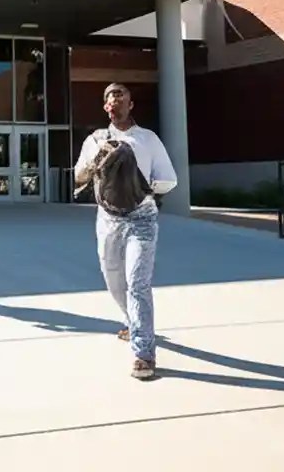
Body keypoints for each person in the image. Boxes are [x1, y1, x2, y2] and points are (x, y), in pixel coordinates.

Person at [74, 83, 177, 380]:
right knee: (113, 277)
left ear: (131, 104)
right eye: (109, 95)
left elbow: (169, 180)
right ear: (105, 106)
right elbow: (78, 176)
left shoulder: (148, 139)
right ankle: (132, 320)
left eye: (120, 95)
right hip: (107, 218)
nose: (114, 99)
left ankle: (144, 352)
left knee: (137, 282)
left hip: (141, 216)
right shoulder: (95, 139)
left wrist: (138, 186)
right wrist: (96, 164)